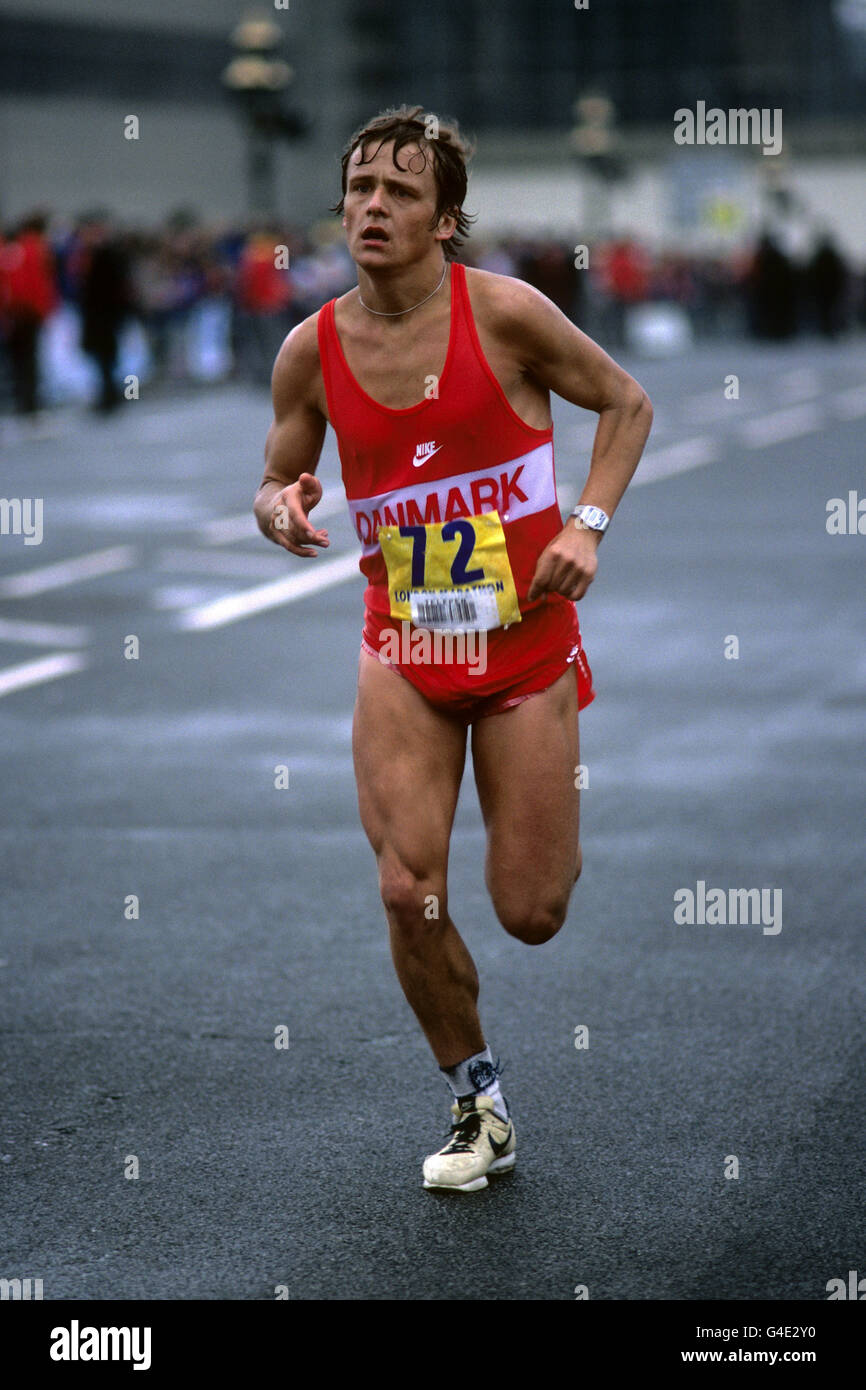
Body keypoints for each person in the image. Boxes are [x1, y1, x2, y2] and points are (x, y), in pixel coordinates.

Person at [254, 105, 652, 1192]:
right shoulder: (312, 348)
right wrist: (277, 506)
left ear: (444, 221)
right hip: (404, 650)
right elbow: (276, 473)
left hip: (523, 653)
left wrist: (586, 523)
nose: (372, 206)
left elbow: (624, 401)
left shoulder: (509, 315)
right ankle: (478, 1102)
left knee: (530, 909)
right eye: (359, 188)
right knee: (402, 887)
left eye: (400, 192)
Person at [0, 213, 58, 417]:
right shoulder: (30, 249)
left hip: (18, 313)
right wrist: (42, 310)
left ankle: (25, 401)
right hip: (25, 313)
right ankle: (29, 402)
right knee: (27, 360)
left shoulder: (17, 249)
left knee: (21, 360)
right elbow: (31, 284)